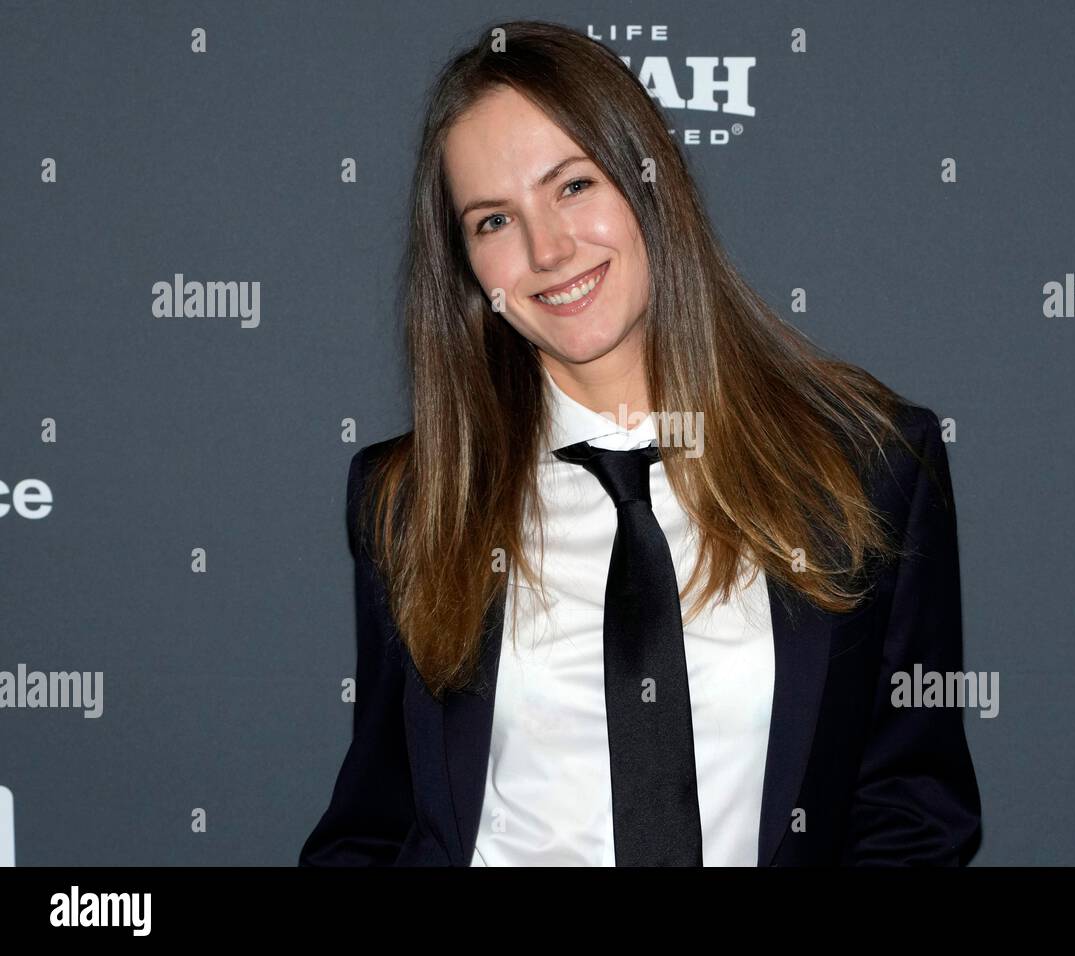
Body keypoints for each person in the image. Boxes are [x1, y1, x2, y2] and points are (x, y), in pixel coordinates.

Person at [299, 19, 980, 867]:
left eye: (574, 186)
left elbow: (911, 815)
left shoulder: (871, 465)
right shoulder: (409, 500)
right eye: (493, 221)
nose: (547, 249)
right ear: (468, 267)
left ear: (649, 182)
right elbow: (375, 823)